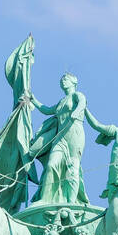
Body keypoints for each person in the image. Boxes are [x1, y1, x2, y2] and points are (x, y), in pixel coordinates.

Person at [26, 73, 92, 206]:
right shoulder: (61, 102)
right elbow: (47, 110)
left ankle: (71, 203)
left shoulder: (77, 95)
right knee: (51, 164)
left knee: (72, 168)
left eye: (66, 79)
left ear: (74, 81)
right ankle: (45, 198)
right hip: (60, 137)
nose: (63, 81)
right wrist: (33, 100)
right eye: (61, 80)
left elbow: (82, 103)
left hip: (75, 135)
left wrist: (77, 111)